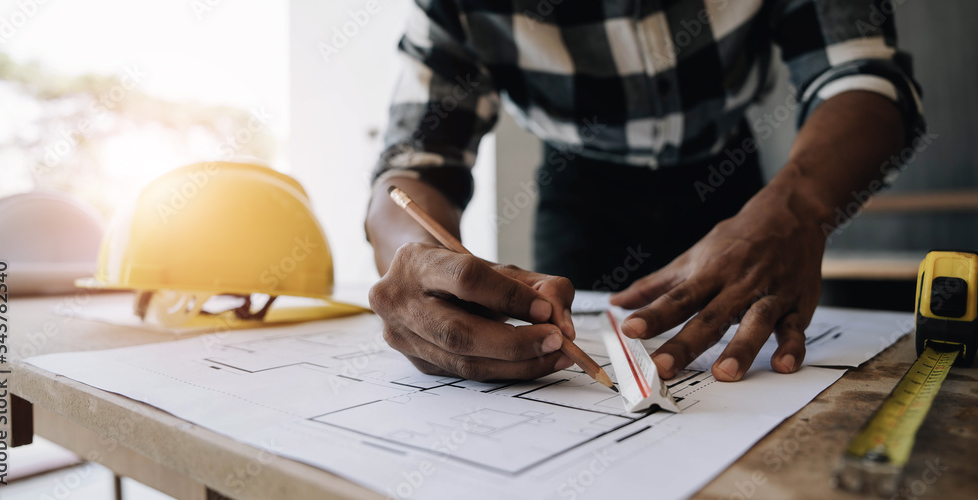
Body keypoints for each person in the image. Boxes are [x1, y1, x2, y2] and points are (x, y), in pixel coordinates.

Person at [365, 0, 923, 383]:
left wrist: (797, 212)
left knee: (749, 374)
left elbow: (863, 75)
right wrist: (424, 273)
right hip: (579, 195)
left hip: (744, 194)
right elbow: (416, 162)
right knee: (559, 348)